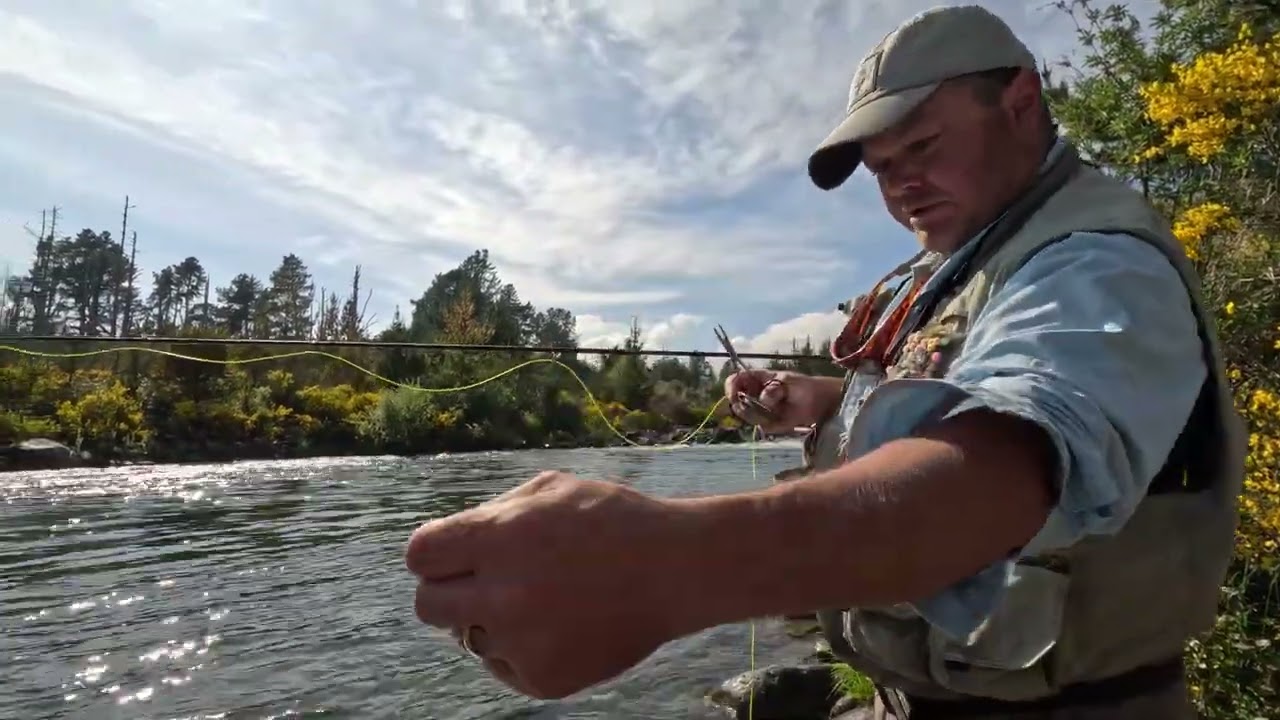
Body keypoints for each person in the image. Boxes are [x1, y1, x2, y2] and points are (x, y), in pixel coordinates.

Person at [404, 5, 1246, 718]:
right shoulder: (974, 256)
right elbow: (965, 389)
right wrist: (823, 401)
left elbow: (1010, 469)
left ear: (1021, 102)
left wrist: (665, 567)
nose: (901, 184)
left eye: (921, 145)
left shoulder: (1095, 264)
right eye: (882, 169)